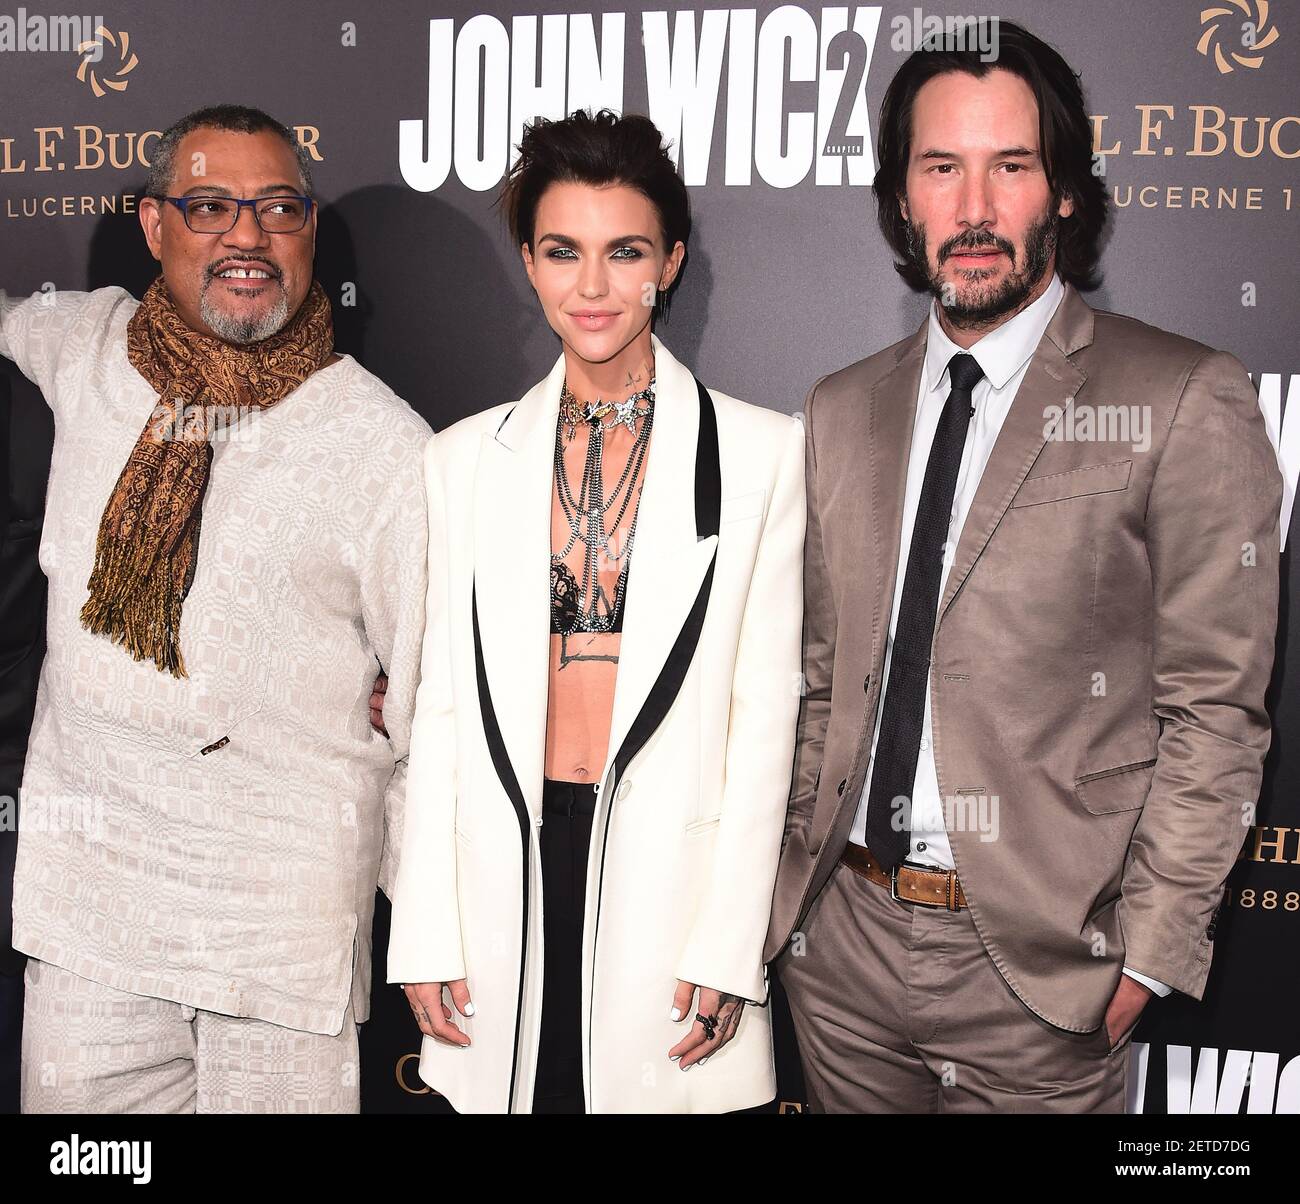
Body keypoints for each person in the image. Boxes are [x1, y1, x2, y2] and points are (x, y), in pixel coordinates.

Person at [765, 20, 1282, 1113]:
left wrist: (1147, 949)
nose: (975, 206)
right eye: (940, 167)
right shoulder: (840, 408)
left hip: (1043, 968)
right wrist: (788, 907)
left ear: (1063, 193)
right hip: (841, 953)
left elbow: (1215, 708)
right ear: (902, 199)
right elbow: (822, 676)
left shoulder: (1183, 395)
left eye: (1011, 165)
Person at [0, 105, 429, 1113]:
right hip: (88, 936)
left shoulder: (386, 449)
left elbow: (428, 715)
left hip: (278, 950)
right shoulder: (85, 342)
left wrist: (430, 932)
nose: (246, 234)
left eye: (277, 207)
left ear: (308, 229)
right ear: (155, 227)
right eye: (210, 206)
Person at [387, 108, 805, 1113]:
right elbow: (438, 711)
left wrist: (728, 940)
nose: (592, 287)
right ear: (528, 262)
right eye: (562, 251)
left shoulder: (760, 455)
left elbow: (767, 724)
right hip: (505, 874)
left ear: (669, 260)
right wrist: (427, 925)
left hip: (670, 892)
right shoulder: (460, 460)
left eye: (623, 252)